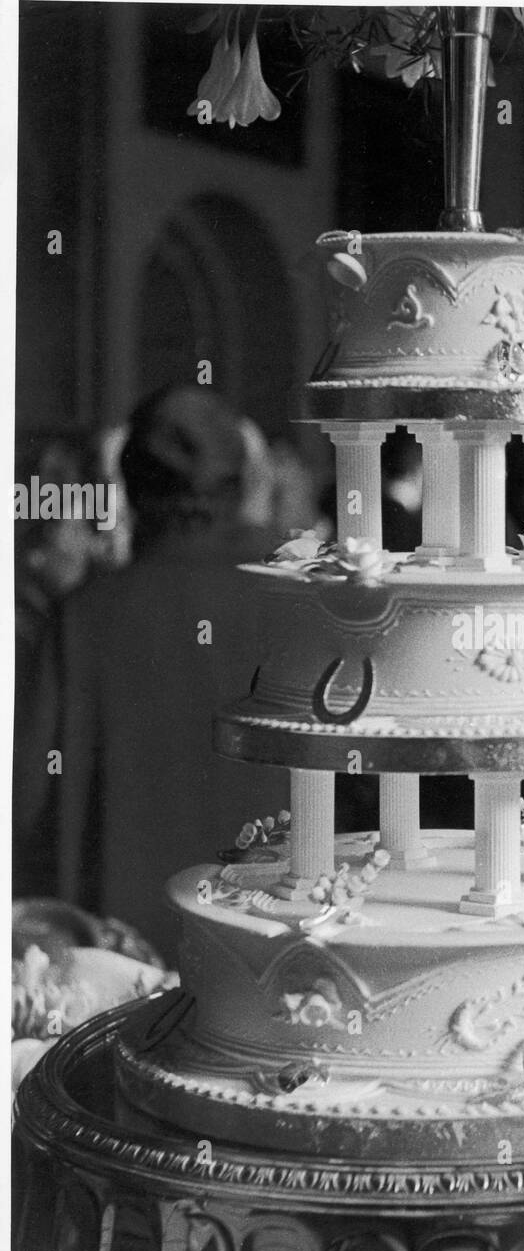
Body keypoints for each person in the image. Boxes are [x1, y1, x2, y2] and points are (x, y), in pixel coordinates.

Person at [18, 386, 289, 962]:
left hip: (120, 957)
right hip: (275, 942)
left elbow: (26, 799)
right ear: (239, 484)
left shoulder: (85, 614)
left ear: (130, 489)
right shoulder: (296, 603)